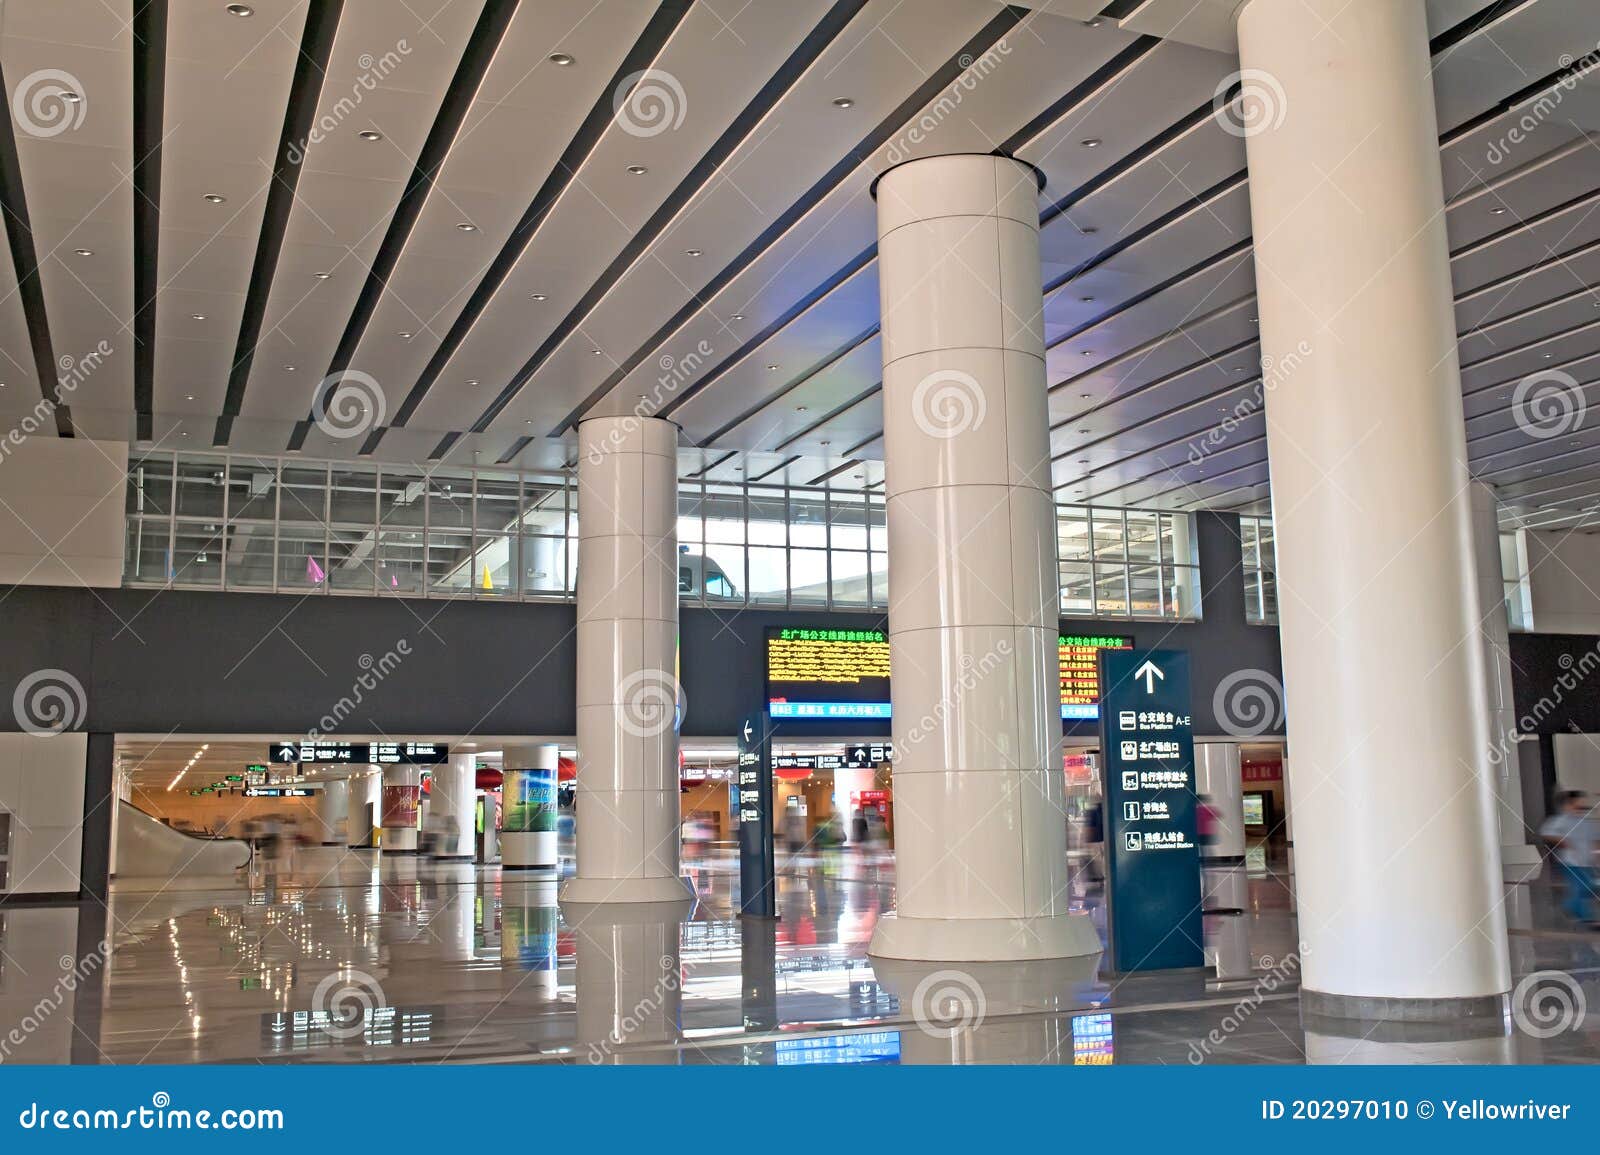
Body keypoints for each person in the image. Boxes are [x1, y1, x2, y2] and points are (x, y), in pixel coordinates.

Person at [1539, 791, 1599, 926]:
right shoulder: (1560, 820)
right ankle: (1586, 917)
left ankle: (1570, 906)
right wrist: (1563, 841)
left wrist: (1595, 856)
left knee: (1588, 886)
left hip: (1585, 862)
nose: (1581, 808)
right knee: (1580, 886)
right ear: (1568, 805)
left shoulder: (1586, 822)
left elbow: (1594, 840)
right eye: (1577, 805)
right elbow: (1546, 832)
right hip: (1569, 862)